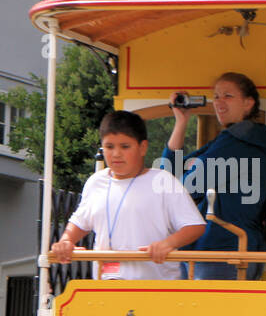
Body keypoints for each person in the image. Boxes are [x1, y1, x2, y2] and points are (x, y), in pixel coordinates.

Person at [50, 110, 206, 279]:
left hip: (155, 290)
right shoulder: (95, 182)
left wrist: (168, 244)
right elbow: (80, 222)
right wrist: (66, 241)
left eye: (125, 146)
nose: (116, 154)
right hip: (106, 289)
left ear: (143, 147)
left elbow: (195, 225)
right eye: (109, 147)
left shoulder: (162, 181)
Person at [165, 72, 266, 280]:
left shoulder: (240, 141)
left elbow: (185, 187)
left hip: (220, 250)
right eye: (216, 96)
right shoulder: (240, 140)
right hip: (234, 249)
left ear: (248, 103)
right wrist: (181, 122)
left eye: (228, 96)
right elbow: (170, 174)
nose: (219, 102)